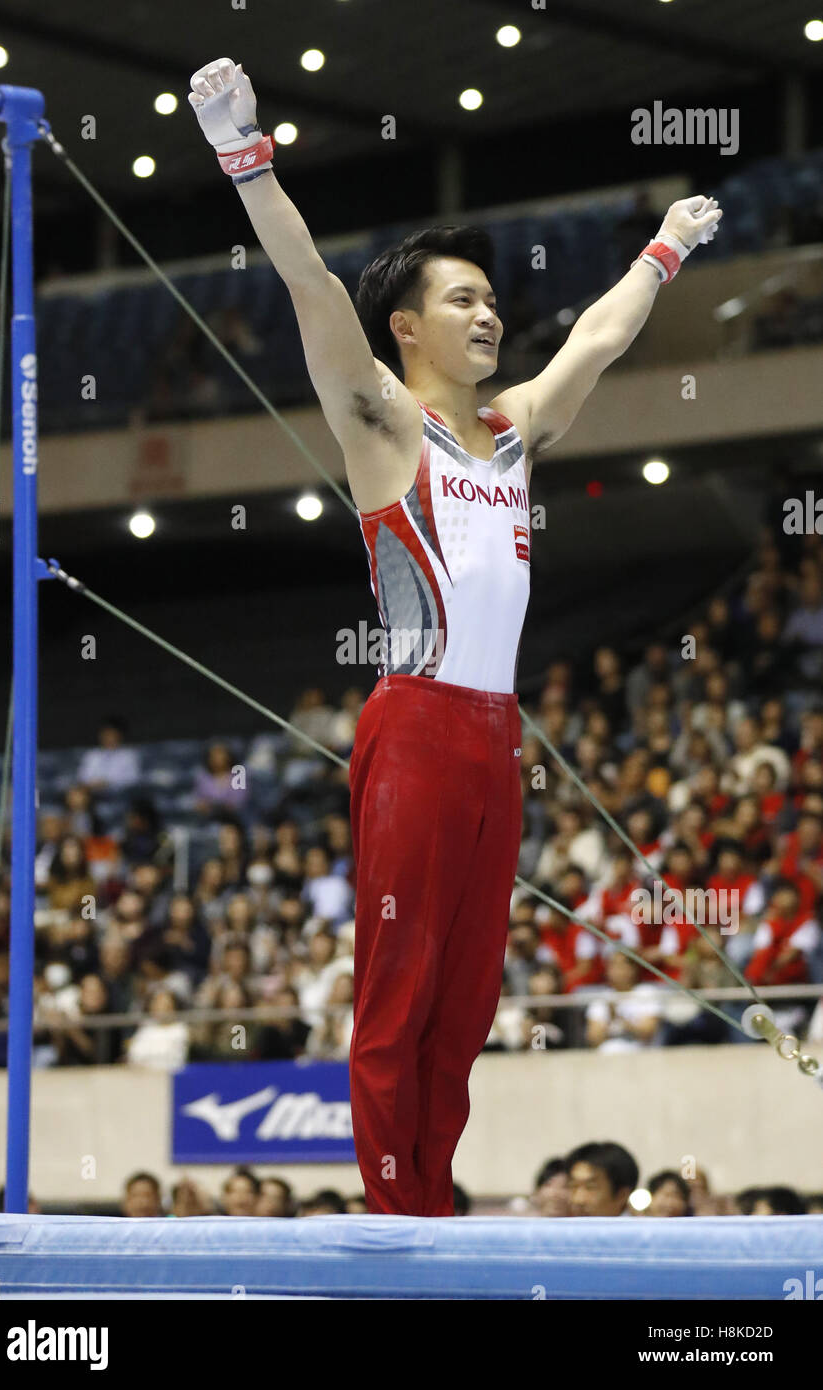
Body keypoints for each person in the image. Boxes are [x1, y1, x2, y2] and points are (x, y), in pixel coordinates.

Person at [188, 57, 722, 1218]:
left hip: (493, 737)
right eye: (462, 300)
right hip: (417, 722)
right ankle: (392, 1209)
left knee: (467, 1000)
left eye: (491, 299)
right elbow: (310, 290)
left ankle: (430, 1197)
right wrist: (245, 156)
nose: (488, 313)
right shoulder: (383, 420)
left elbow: (595, 341)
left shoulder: (513, 429)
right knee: (399, 989)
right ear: (406, 325)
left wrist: (662, 250)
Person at [565, 1141, 639, 1217]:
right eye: (573, 1186)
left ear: (622, 1195)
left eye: (590, 1187)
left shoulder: (641, 1228)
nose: (578, 1200)